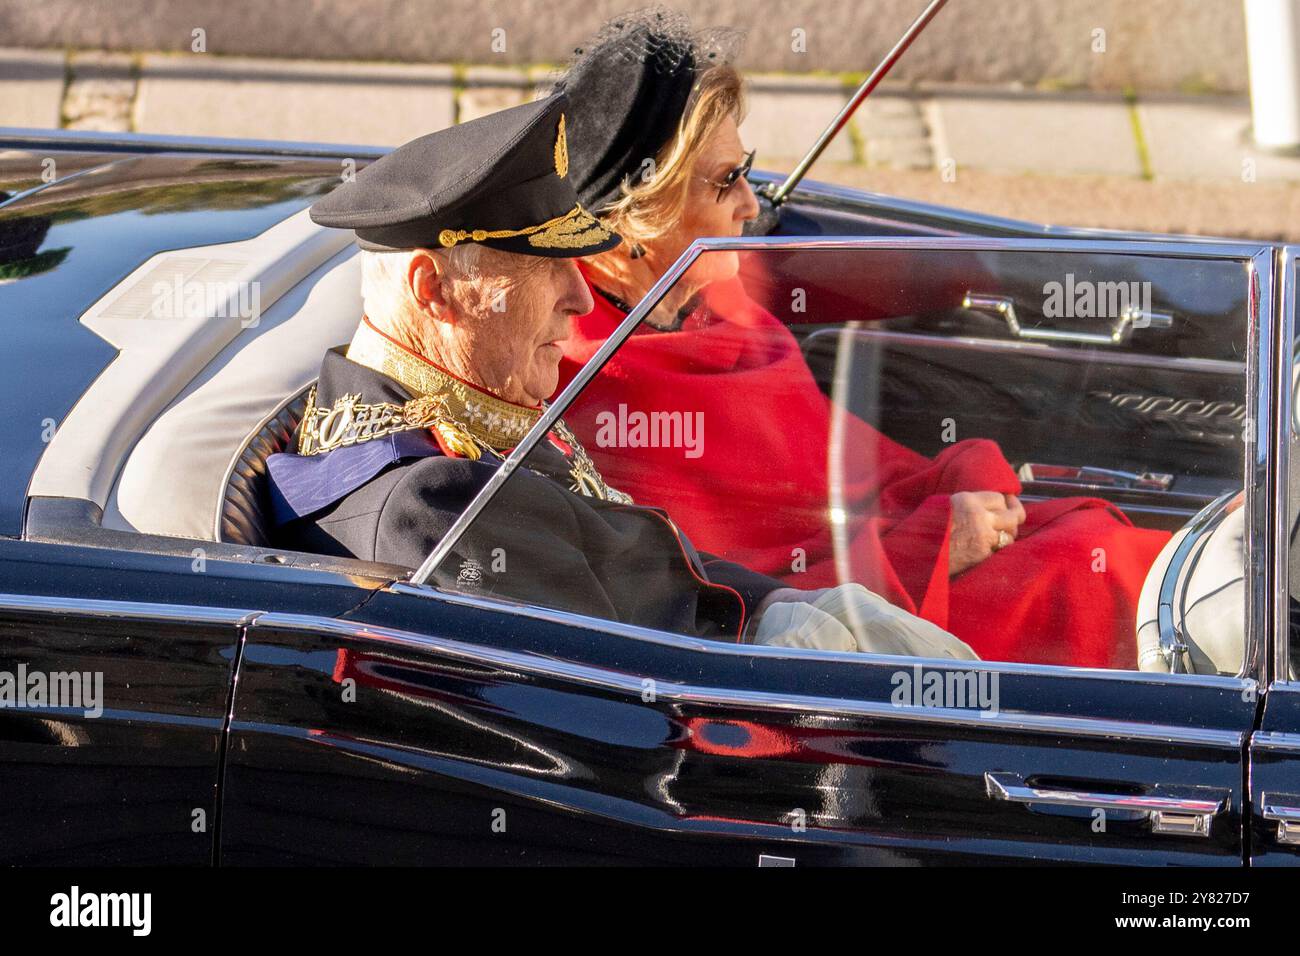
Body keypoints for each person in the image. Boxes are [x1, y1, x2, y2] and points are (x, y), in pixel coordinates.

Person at [552, 11, 1170, 669]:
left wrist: (951, 493)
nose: (752, 208)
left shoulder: (714, 305)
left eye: (748, 172)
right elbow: (720, 606)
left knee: (1100, 543)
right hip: (853, 650)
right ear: (634, 221)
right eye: (725, 182)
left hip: (901, 585)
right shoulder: (587, 378)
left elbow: (849, 478)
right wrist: (933, 542)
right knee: (1090, 578)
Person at [263, 92, 975, 661]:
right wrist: (792, 647)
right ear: (434, 289)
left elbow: (654, 568)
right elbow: (612, 705)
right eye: (546, 270)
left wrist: (799, 604)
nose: (580, 301)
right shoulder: (435, 508)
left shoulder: (465, 404)